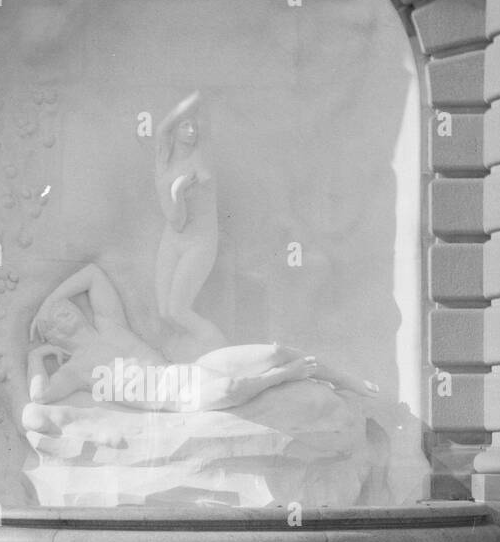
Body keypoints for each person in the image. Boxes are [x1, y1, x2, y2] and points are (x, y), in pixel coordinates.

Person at [26, 263, 377, 412]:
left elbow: (92, 274)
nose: (66, 308)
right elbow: (40, 396)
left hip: (191, 370)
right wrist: (35, 357)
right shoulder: (76, 370)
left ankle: (342, 378)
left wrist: (47, 299)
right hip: (180, 399)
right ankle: (286, 376)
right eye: (57, 314)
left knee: (274, 351)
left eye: (65, 305)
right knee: (230, 389)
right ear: (54, 335)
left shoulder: (109, 326)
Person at [152, 90, 225, 352]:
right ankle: (191, 353)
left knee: (178, 310)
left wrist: (177, 192)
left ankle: (224, 352)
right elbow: (162, 128)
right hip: (172, 240)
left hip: (198, 242)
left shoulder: (201, 163)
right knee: (164, 311)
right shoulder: (164, 160)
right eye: (185, 125)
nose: (191, 131)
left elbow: (178, 219)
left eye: (195, 127)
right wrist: (198, 94)